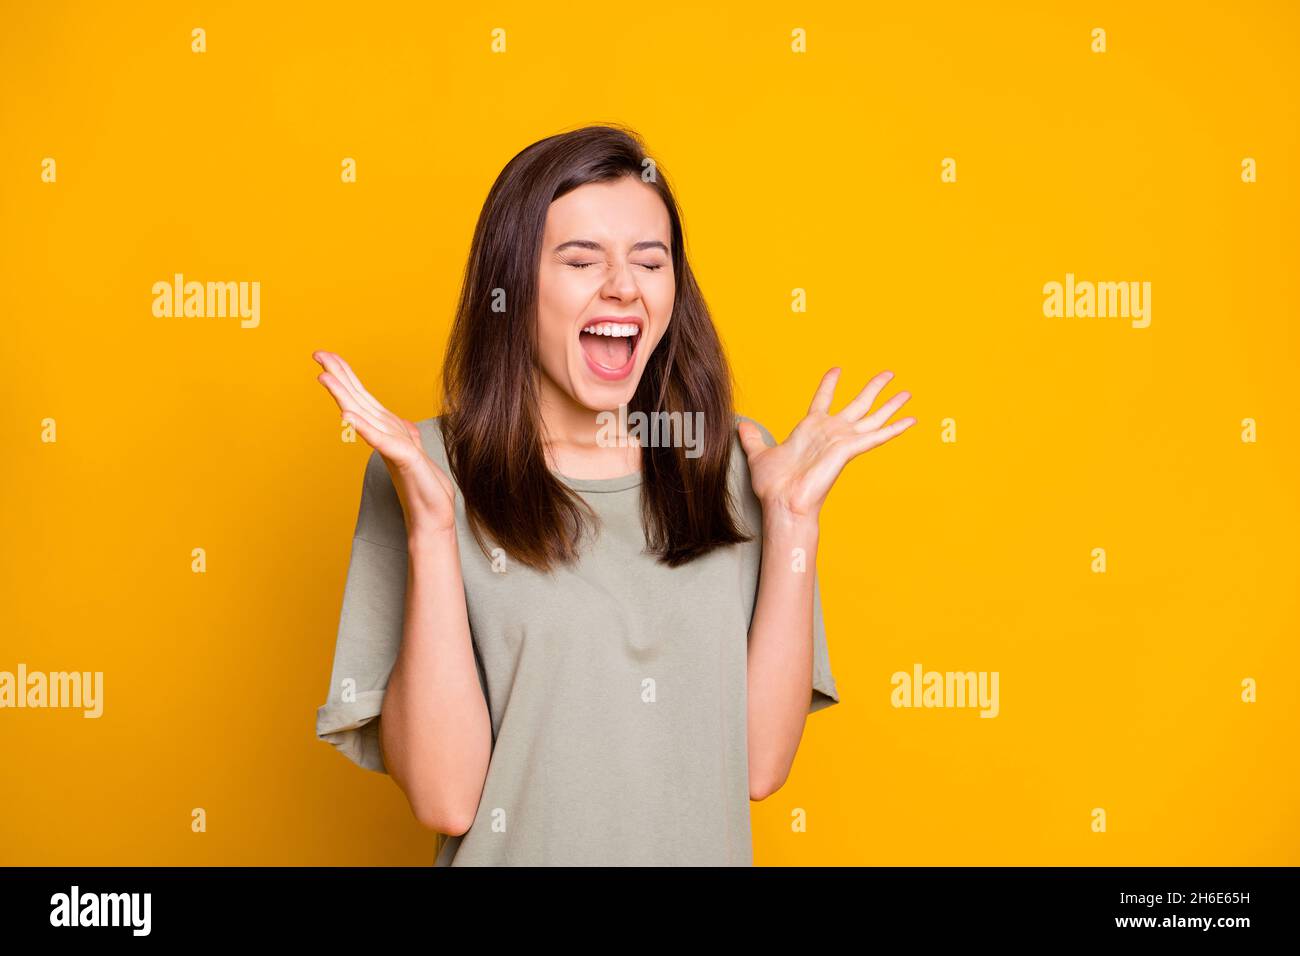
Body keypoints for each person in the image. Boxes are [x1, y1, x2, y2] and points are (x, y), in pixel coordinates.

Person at [312, 124, 915, 866]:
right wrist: (434, 531)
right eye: (580, 258)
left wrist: (792, 524)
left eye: (649, 261)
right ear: (511, 285)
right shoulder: (423, 469)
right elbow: (446, 796)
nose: (623, 286)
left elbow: (756, 767)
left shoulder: (731, 464)